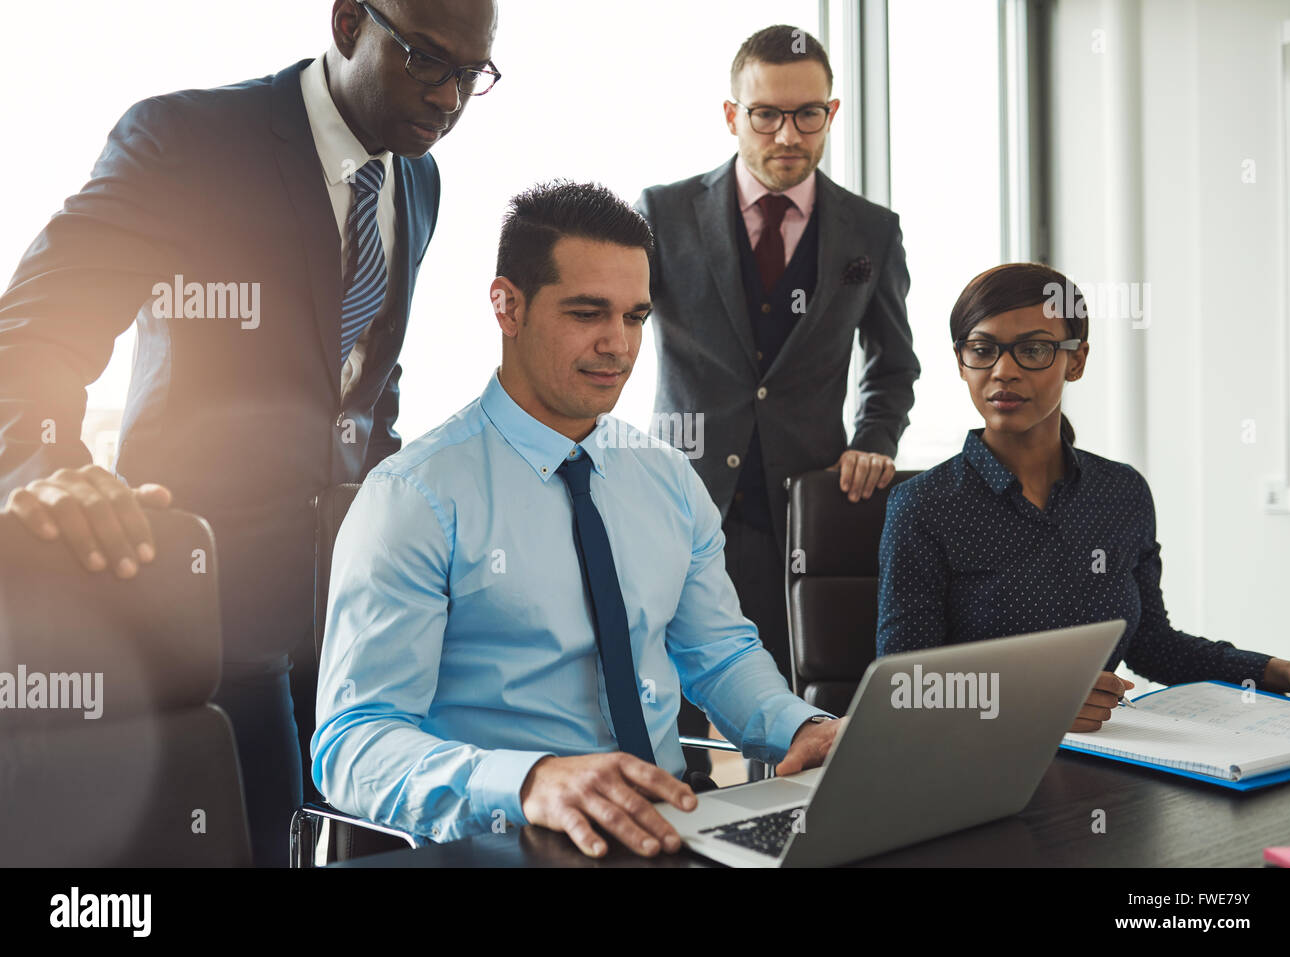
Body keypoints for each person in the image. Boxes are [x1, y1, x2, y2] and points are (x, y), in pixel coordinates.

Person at [0, 0, 500, 866]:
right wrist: (56, 466)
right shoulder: (189, 139)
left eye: (472, 75)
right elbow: (34, 333)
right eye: (426, 61)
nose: (450, 98)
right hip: (209, 605)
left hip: (351, 610)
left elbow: (364, 391)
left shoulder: (418, 176)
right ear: (348, 23)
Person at [312, 181, 842, 858]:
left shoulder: (670, 480)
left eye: (635, 317)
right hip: (506, 840)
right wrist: (528, 779)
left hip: (667, 827)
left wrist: (799, 725)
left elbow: (721, 654)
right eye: (588, 312)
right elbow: (353, 745)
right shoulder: (413, 497)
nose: (617, 345)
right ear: (507, 306)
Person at [635, 24, 920, 776]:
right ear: (732, 116)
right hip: (677, 493)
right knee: (669, 709)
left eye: (806, 114)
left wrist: (876, 439)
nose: (786, 133)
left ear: (831, 112)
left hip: (798, 506)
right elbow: (612, 324)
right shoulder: (661, 214)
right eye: (766, 114)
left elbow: (893, 365)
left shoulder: (871, 231)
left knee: (787, 710)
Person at [876, 263, 1290, 727]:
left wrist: (1279, 671)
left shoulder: (1122, 492)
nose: (1003, 371)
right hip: (977, 771)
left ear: (1075, 361)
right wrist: (1039, 699)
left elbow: (1152, 645)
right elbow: (907, 686)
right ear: (961, 361)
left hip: (1110, 760)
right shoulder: (923, 506)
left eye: (1033, 350)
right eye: (983, 350)